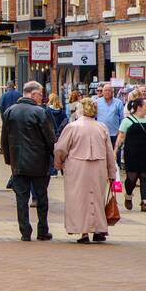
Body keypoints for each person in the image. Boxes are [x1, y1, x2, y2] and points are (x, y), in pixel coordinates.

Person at [55, 96, 118, 243]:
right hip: (99, 167)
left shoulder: (72, 127)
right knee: (97, 198)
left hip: (77, 167)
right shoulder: (102, 127)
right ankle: (99, 229)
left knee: (78, 199)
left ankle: (83, 232)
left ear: (80, 110)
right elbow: (109, 152)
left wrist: (58, 164)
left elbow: (60, 148)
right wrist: (111, 172)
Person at [1, 81, 56, 242]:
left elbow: (4, 138)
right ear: (33, 94)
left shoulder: (10, 111)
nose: (42, 97)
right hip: (39, 162)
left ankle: (25, 231)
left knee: (21, 198)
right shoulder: (40, 112)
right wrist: (56, 158)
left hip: (18, 162)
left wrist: (8, 159)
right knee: (41, 197)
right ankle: (42, 230)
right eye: (40, 94)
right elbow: (50, 138)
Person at [115, 95, 146, 212]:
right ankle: (129, 195)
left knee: (145, 176)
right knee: (132, 177)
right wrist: (115, 151)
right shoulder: (127, 121)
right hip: (131, 153)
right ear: (139, 107)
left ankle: (144, 202)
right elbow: (120, 137)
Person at [94, 83, 123, 148]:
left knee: (115, 154)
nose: (107, 92)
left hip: (115, 133)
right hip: (101, 133)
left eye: (109, 90)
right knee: (102, 154)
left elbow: (122, 118)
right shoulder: (97, 102)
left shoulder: (118, 103)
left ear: (112, 92)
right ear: (103, 92)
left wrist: (120, 130)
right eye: (105, 90)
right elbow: (94, 117)